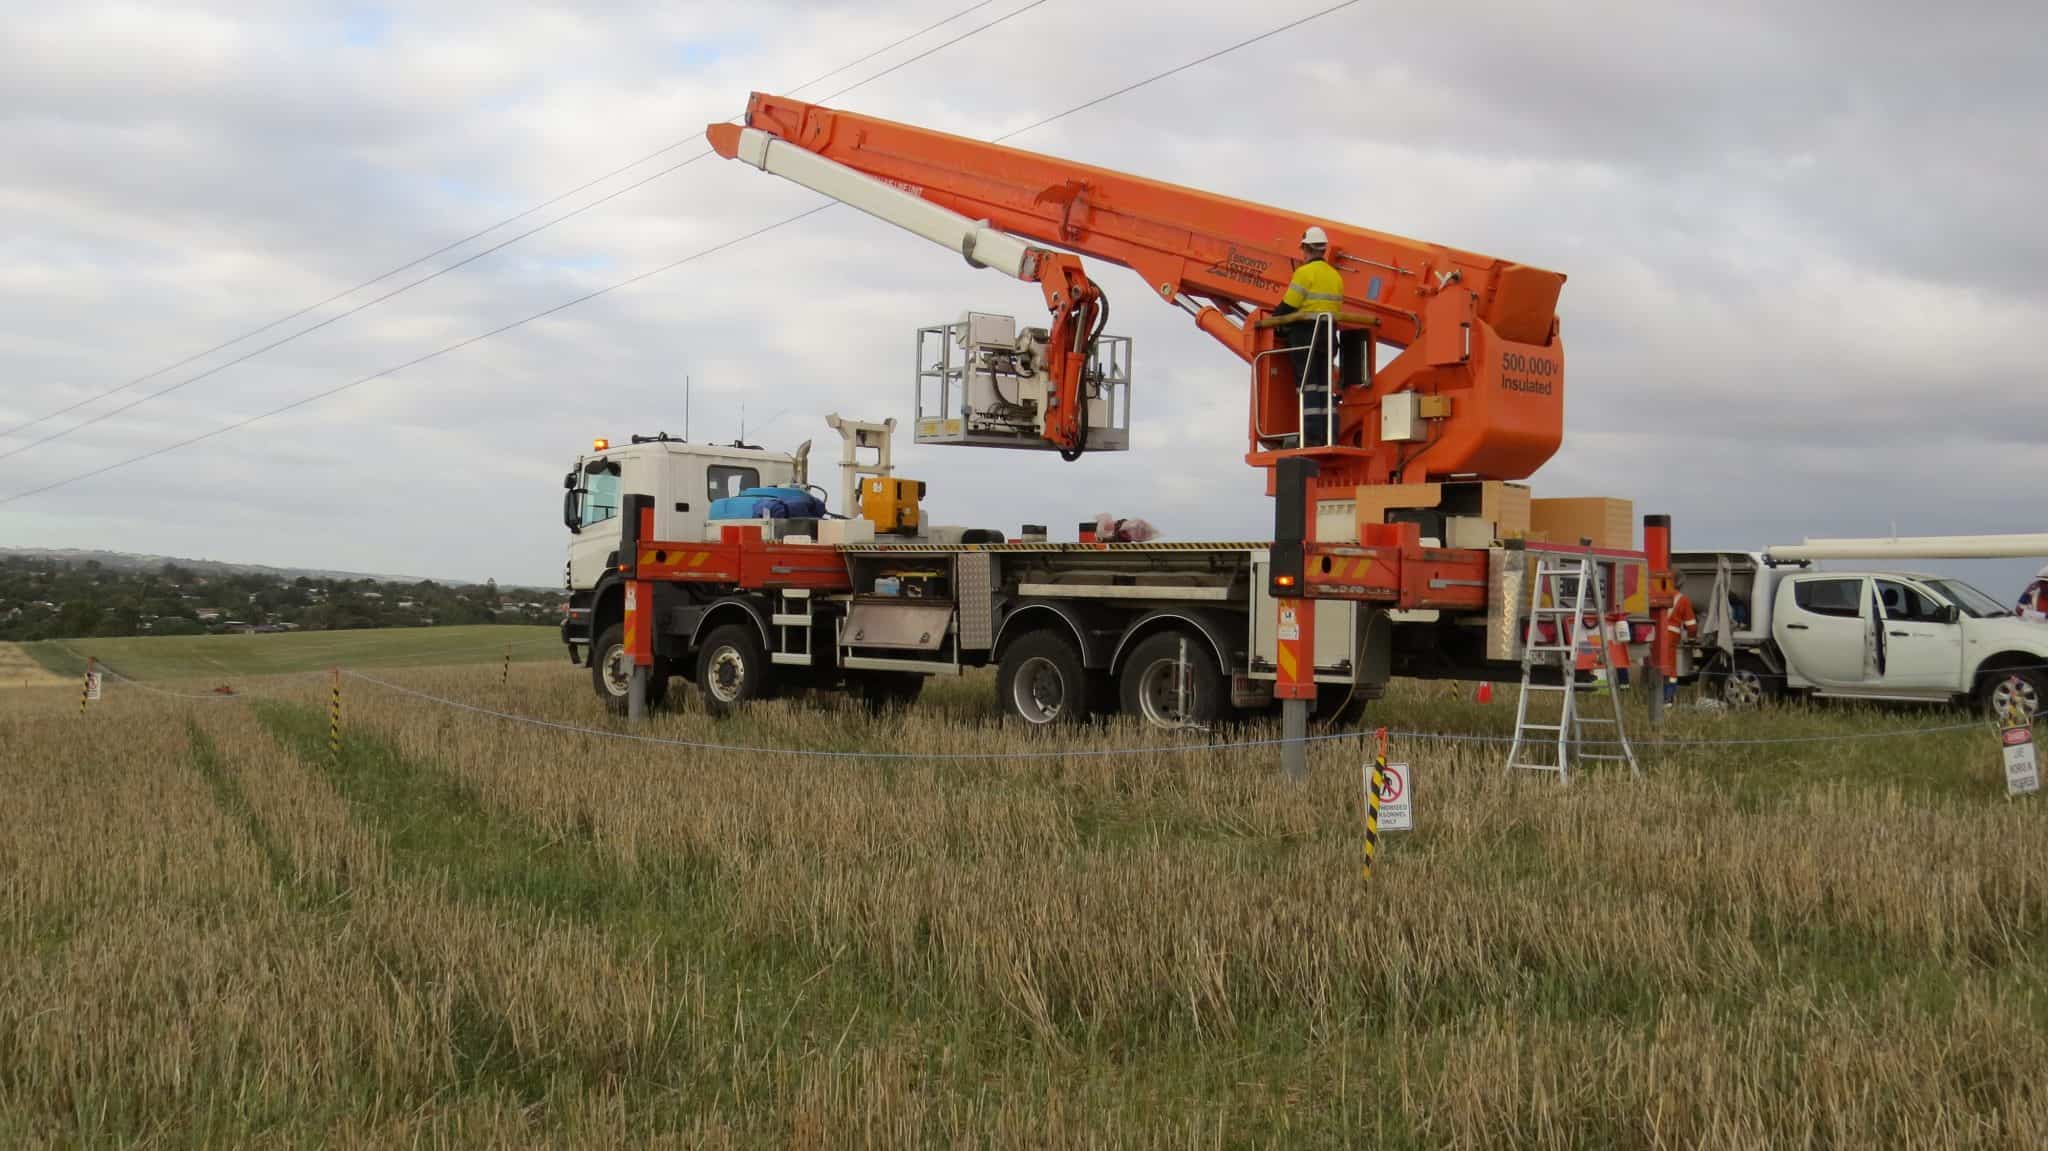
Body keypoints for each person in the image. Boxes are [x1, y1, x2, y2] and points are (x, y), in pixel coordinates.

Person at [1273, 226, 1345, 444]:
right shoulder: (1335, 276)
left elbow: (1290, 304)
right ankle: (1329, 435)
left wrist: (1275, 319)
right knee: (1324, 386)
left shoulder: (1304, 273)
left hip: (1306, 336)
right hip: (1328, 336)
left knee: (1308, 386)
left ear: (1306, 248)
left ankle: (1312, 437)